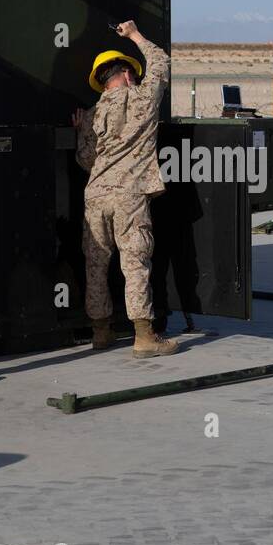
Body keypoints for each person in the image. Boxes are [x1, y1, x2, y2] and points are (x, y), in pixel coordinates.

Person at [73, 20, 179, 358]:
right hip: (129, 195)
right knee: (135, 264)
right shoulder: (142, 98)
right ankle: (144, 336)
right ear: (129, 75)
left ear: (101, 83)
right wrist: (135, 35)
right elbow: (161, 62)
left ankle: (101, 332)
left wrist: (80, 131)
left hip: (95, 196)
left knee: (96, 264)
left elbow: (85, 159)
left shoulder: (91, 115)